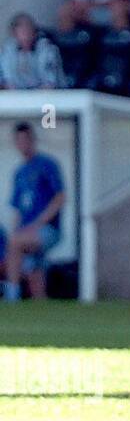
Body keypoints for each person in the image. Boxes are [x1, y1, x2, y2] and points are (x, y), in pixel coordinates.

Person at [2, 123, 65, 302]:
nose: (23, 144)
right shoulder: (19, 172)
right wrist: (17, 232)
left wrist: (38, 224)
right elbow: (17, 208)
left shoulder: (47, 165)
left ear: (33, 140)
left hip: (47, 230)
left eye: (26, 140)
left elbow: (60, 198)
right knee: (36, 281)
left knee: (14, 244)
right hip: (27, 232)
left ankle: (12, 296)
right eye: (19, 141)